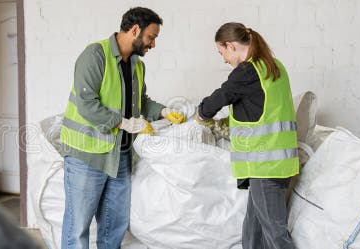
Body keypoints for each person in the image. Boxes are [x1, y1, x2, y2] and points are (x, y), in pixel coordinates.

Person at [58, 7, 185, 249]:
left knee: (114, 226)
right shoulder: (95, 55)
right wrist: (124, 123)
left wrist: (163, 111)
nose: (153, 44)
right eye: (151, 37)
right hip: (87, 156)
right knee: (77, 228)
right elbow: (86, 104)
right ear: (135, 30)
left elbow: (141, 102)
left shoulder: (137, 65)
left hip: (120, 156)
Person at [196, 22, 299, 249]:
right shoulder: (273, 66)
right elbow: (258, 110)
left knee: (275, 234)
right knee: (252, 233)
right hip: (277, 164)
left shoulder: (247, 71)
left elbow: (221, 97)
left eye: (221, 52)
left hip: (264, 166)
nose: (223, 59)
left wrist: (201, 114)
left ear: (231, 46)